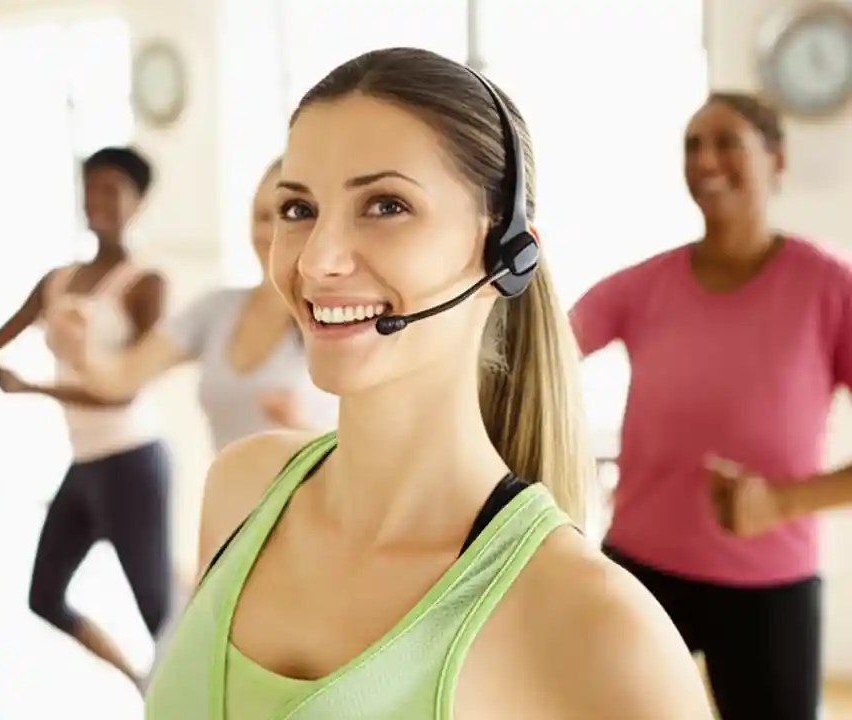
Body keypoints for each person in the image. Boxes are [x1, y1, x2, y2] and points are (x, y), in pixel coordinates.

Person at [144, 48, 712, 719]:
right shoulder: (242, 488)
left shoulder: (592, 624)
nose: (320, 260)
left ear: (508, 253)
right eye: (297, 209)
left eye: (385, 205)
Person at [572, 92, 849, 719]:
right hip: (641, 571)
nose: (706, 160)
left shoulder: (828, 286)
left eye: (727, 142)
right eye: (693, 145)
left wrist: (784, 500)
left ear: (776, 160)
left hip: (770, 591)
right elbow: (544, 350)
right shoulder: (645, 283)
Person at [0, 146, 172, 690]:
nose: (97, 200)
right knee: (44, 596)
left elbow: (125, 393)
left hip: (131, 463)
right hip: (86, 465)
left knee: (160, 616)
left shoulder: (145, 285)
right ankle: (142, 684)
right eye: (90, 187)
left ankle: (196, 700)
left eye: (112, 190)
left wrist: (32, 387)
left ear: (138, 202)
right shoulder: (58, 280)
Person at [49, 157, 337, 452]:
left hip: (318, 497)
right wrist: (78, 348)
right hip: (234, 497)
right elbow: (121, 379)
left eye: (291, 214)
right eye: (262, 217)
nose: (270, 231)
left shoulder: (343, 314)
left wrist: (302, 427)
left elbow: (374, 460)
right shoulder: (216, 309)